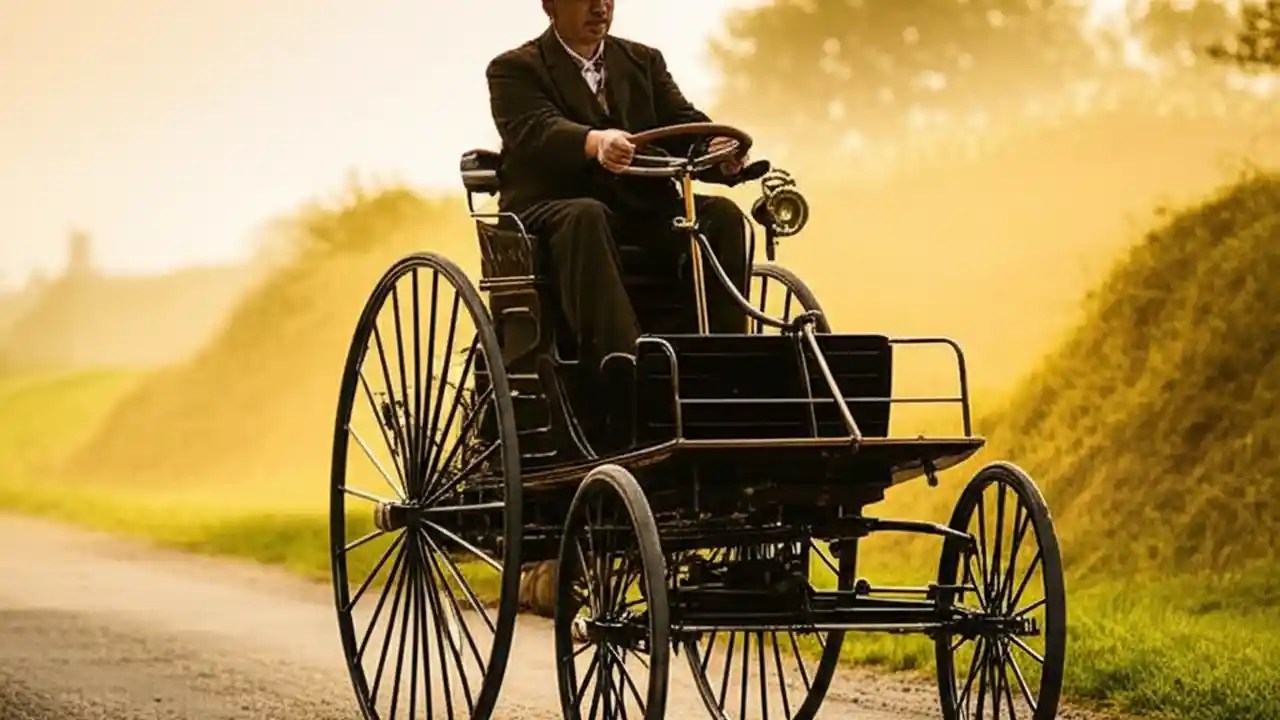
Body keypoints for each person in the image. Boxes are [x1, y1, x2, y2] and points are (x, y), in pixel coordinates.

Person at [485, 0, 752, 379]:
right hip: (551, 210)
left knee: (722, 217)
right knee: (587, 215)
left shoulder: (643, 61)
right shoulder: (514, 69)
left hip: (641, 208)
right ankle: (626, 368)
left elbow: (682, 120)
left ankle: (726, 363)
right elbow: (537, 130)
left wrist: (715, 149)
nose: (600, 8)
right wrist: (596, 142)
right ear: (551, 6)